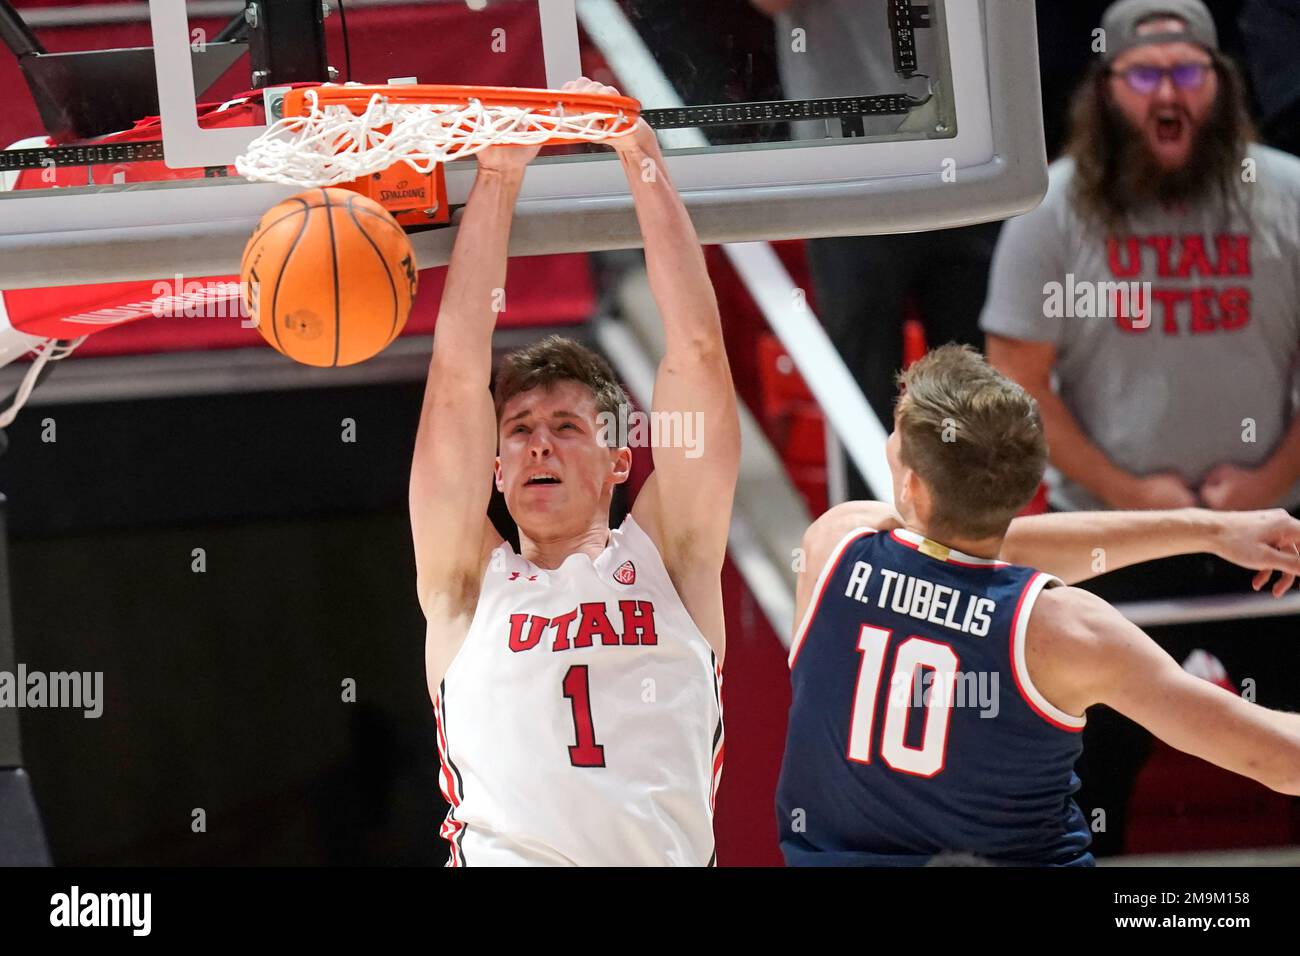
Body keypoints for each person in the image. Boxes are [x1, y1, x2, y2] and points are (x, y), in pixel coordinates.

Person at [776, 344, 1300, 866]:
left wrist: (1214, 532)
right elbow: (1277, 759)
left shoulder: (834, 543)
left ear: (912, 485)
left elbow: (974, 550)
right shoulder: (1067, 630)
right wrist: (1213, 529)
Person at [980, 0, 1300, 853]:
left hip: (1277, 532)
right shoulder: (1047, 211)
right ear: (1107, 89)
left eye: (1190, 72)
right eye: (1147, 74)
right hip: (1113, 540)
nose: (1172, 93)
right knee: (1085, 775)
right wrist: (1136, 494)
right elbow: (1017, 386)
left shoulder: (1291, 195)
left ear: (1222, 86)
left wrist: (1269, 481)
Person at [409, 79, 740, 866]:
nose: (538, 447)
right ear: (495, 468)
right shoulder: (463, 584)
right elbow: (456, 378)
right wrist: (497, 177)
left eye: (565, 427)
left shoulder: (672, 556)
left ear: (622, 459)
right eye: (519, 431)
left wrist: (641, 154)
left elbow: (695, 352)